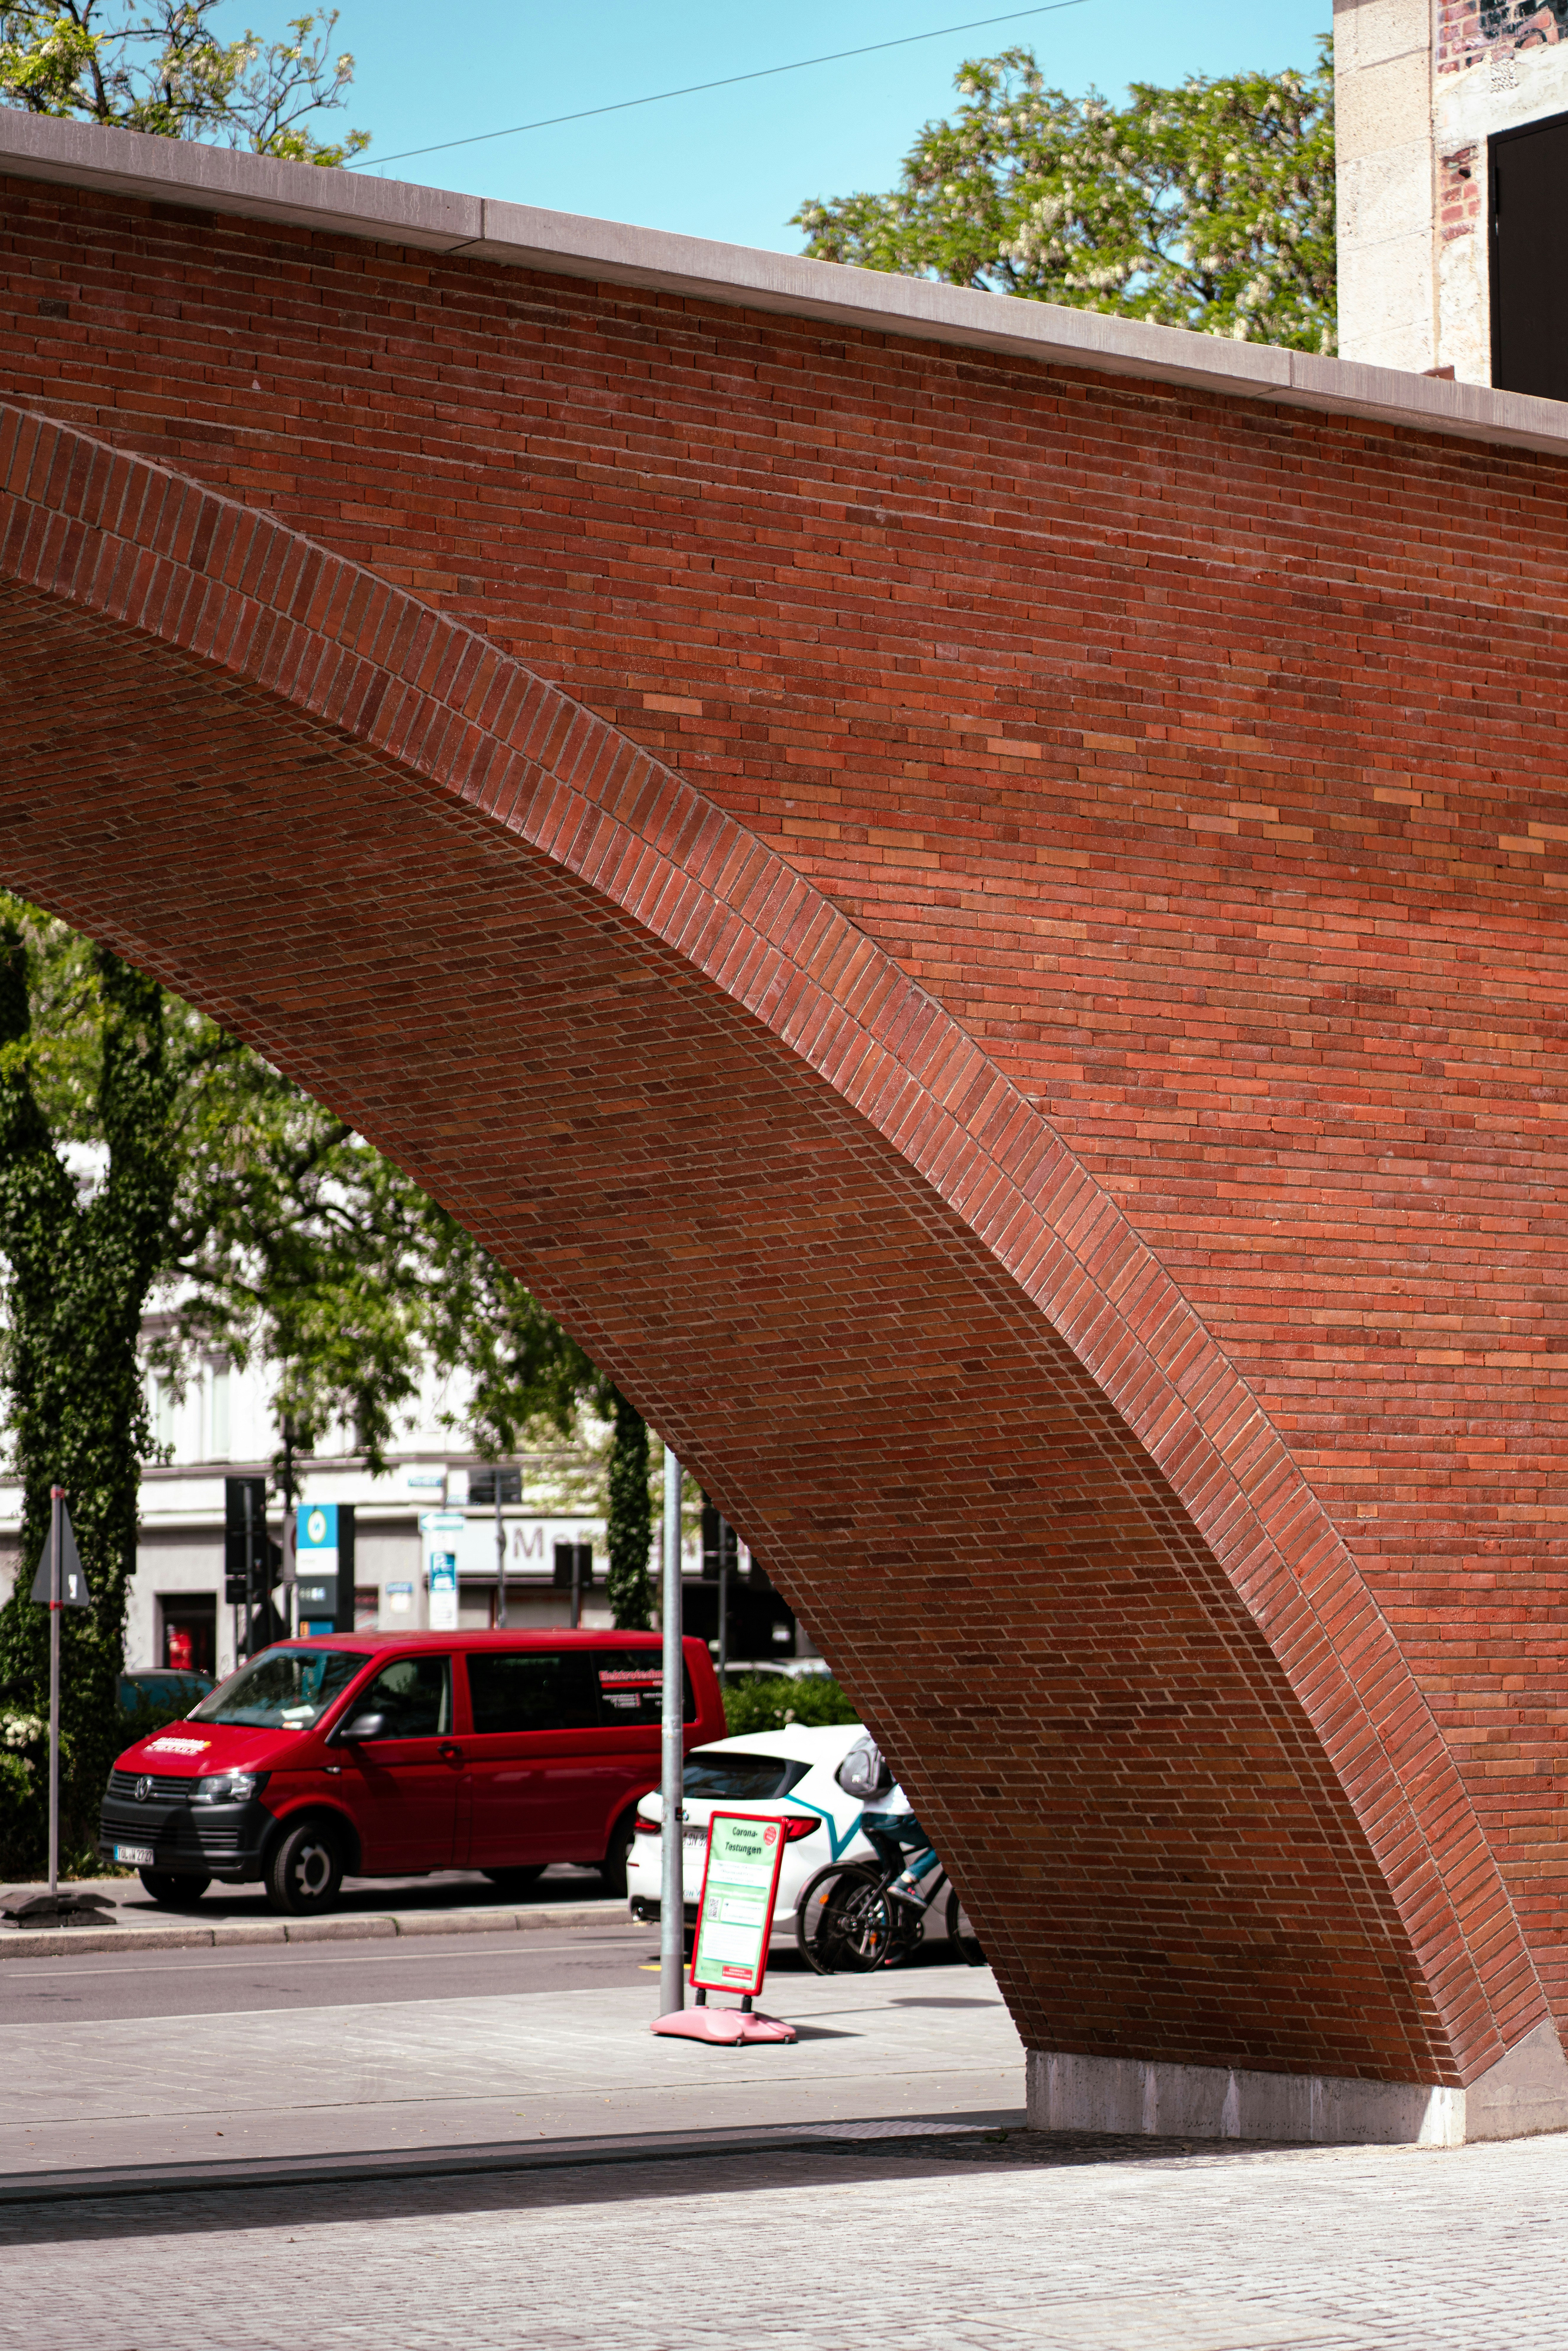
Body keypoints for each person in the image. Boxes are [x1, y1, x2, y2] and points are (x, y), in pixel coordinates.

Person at [835, 1731, 939, 1904]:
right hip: (896, 1819)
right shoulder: (910, 1738)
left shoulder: (877, 1739)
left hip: (868, 1819)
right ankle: (908, 1880)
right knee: (945, 1843)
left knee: (890, 1878)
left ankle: (889, 1926)